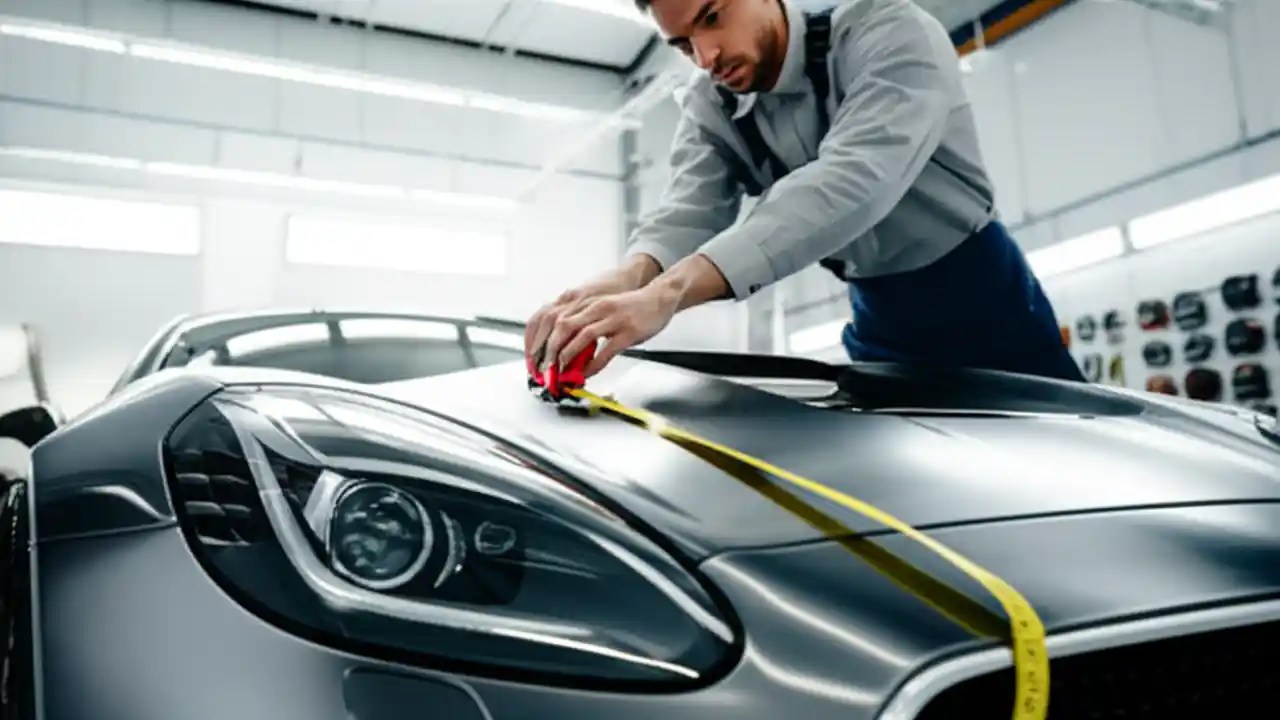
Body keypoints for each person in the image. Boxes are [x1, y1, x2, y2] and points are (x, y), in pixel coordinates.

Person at [524, 0, 1084, 383]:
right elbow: (687, 211)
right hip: (879, 321)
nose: (707, 57)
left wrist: (666, 295)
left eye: (713, 17)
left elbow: (851, 180)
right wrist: (621, 282)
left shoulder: (888, 33)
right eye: (683, 44)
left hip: (986, 300)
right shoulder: (711, 106)